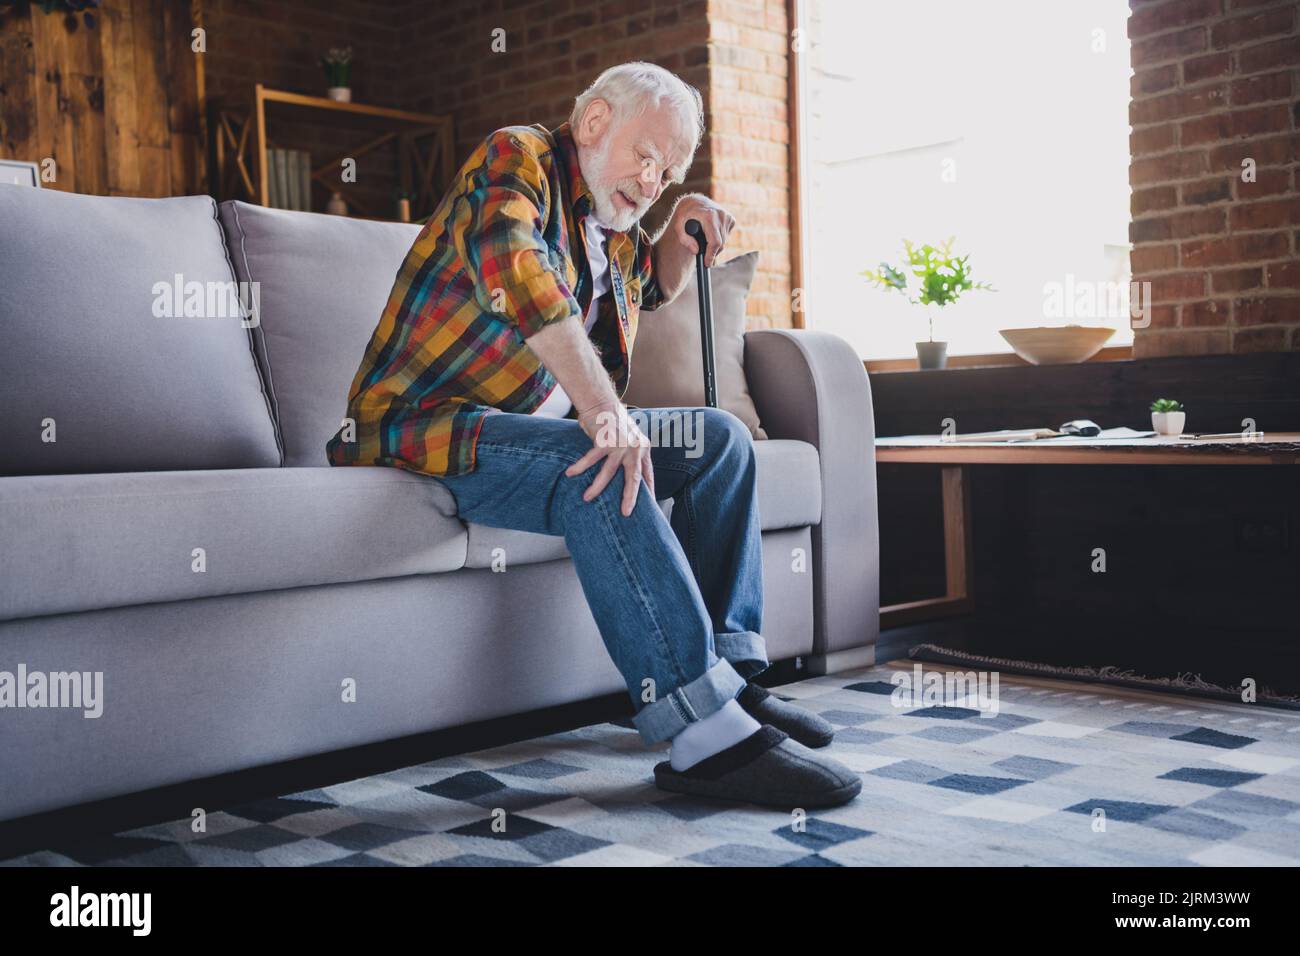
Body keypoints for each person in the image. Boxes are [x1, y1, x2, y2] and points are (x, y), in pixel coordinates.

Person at [326, 61, 861, 809]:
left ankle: (732, 682)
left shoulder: (613, 230)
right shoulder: (516, 157)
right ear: (594, 121)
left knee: (718, 441)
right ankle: (706, 737)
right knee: (601, 456)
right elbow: (519, 271)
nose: (652, 181)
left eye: (667, 172)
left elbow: (645, 288)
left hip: (531, 428)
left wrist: (678, 233)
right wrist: (606, 414)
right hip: (427, 424)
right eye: (647, 156)